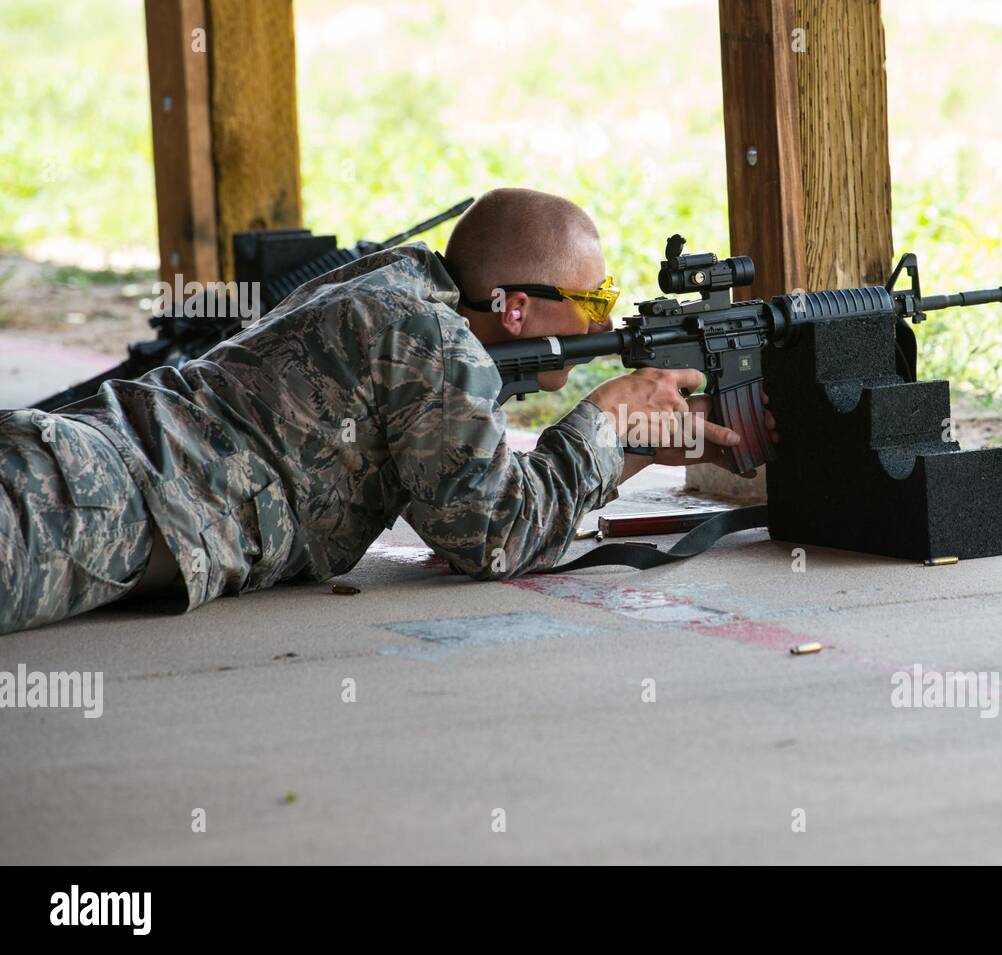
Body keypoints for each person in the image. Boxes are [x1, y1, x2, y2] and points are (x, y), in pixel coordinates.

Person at [0, 188, 772, 634]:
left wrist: (635, 445)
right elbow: (494, 538)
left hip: (87, 465)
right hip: (84, 499)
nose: (603, 319)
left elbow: (454, 474)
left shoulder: (399, 285)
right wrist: (606, 422)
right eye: (592, 300)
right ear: (514, 310)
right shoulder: (431, 339)